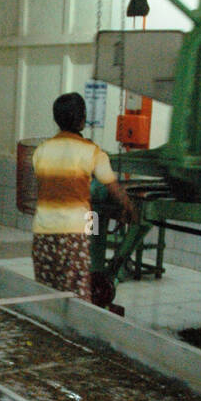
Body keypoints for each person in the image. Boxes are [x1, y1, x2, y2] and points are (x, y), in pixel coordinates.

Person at [32, 91, 136, 303]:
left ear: (56, 119)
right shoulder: (92, 151)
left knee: (46, 295)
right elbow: (114, 189)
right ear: (83, 119)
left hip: (43, 233)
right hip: (74, 235)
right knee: (77, 298)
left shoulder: (41, 150)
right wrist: (130, 210)